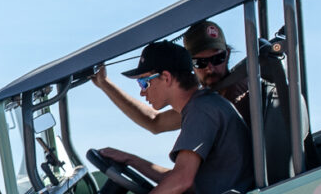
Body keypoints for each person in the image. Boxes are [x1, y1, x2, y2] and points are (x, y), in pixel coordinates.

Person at [78, 41, 252, 194]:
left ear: (166, 77)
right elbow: (186, 181)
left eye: (144, 82)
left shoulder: (201, 110)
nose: (142, 92)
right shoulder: (202, 105)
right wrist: (131, 160)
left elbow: (181, 179)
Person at [92, 19, 285, 132]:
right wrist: (104, 84)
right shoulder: (204, 101)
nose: (210, 68)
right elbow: (155, 122)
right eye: (200, 63)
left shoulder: (242, 90)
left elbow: (186, 179)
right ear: (190, 65)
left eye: (218, 59)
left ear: (227, 54)